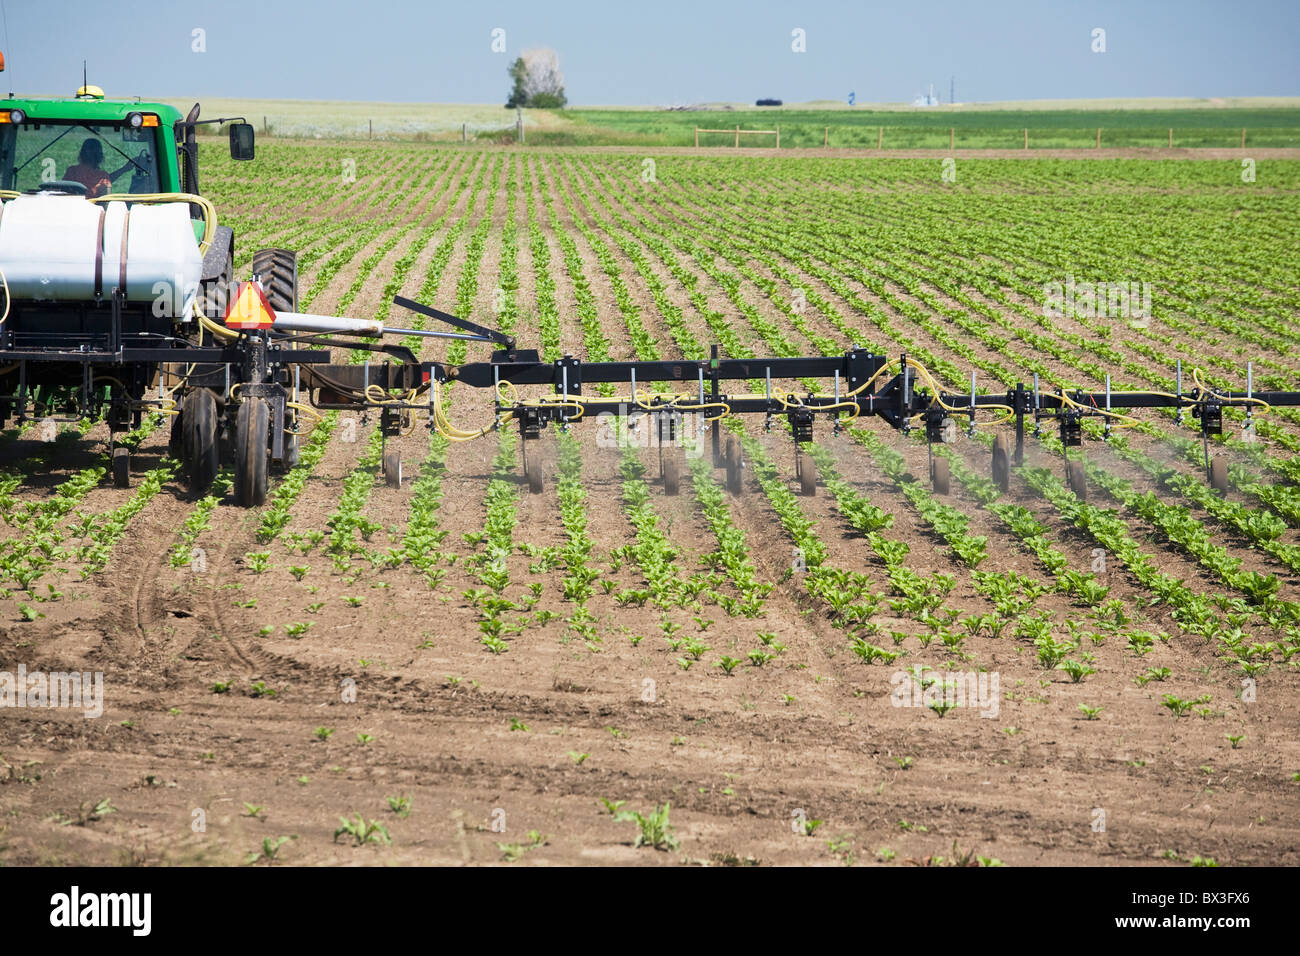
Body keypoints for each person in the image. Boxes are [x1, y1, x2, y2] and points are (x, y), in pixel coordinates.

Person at [62, 138, 139, 198]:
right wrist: (124, 169)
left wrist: (124, 169)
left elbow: (62, 191)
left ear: (82, 153)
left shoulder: (72, 171)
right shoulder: (103, 176)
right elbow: (105, 202)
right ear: (100, 156)